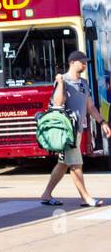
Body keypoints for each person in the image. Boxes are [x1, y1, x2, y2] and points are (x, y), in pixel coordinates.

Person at [39, 50, 109, 208]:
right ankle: (85, 198)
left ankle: (46, 194)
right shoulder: (62, 79)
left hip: (77, 131)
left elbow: (90, 106)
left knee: (63, 164)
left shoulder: (84, 83)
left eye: (86, 62)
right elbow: (58, 102)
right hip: (66, 131)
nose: (84, 64)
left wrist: (102, 122)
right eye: (82, 62)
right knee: (76, 164)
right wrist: (61, 84)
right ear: (72, 62)